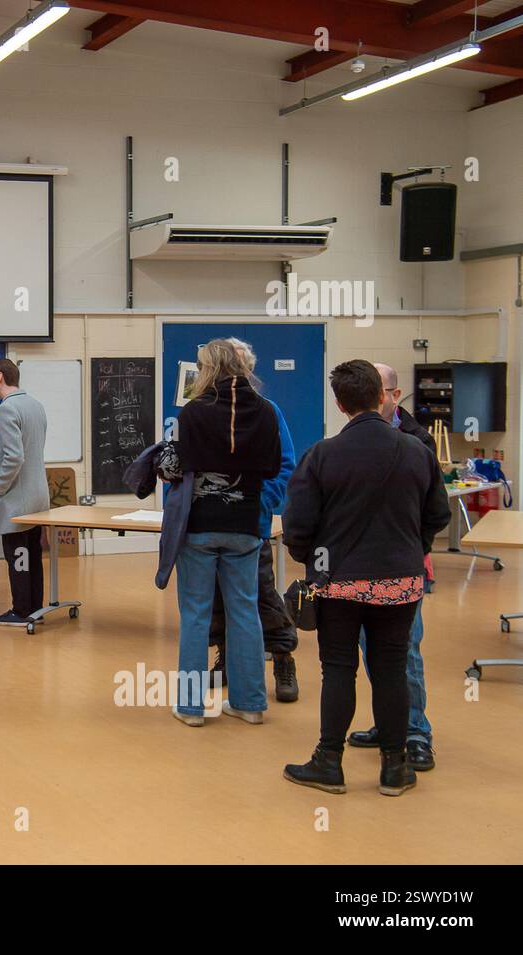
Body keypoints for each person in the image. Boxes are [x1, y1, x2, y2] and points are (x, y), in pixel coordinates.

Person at [282, 360, 449, 796]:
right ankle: (395, 767)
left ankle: (328, 762)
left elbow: (297, 525)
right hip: (401, 582)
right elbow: (437, 515)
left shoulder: (321, 455)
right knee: (391, 668)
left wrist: (314, 563)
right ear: (382, 396)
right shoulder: (418, 452)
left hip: (339, 582)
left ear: (340, 404)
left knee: (338, 669)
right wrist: (412, 552)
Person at [169, 340, 280, 726]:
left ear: (209, 370)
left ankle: (191, 707)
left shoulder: (194, 412)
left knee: (197, 615)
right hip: (246, 526)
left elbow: (177, 466)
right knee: (245, 611)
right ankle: (250, 703)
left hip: (199, 526)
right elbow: (271, 469)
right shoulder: (266, 412)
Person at [347, 362, 440, 770]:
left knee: (405, 651)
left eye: (377, 389)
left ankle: (416, 732)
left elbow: (433, 511)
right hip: (362, 566)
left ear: (394, 395)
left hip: (403, 565)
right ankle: (389, 725)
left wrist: (413, 548)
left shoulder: (417, 441)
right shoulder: (352, 438)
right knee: (372, 649)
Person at [207, 338, 300, 703]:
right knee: (217, 597)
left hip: (251, 526)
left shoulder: (267, 411)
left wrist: (260, 504)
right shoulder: (207, 409)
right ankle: (228, 659)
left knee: (261, 596)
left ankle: (282, 658)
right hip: (213, 523)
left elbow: (285, 465)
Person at [0, 358, 51, 627]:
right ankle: (34, 607)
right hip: (36, 496)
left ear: (0, 377)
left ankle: (21, 610)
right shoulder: (35, 405)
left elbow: (13, 458)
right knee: (33, 554)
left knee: (19, 556)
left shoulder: (8, 409)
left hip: (16, 499)